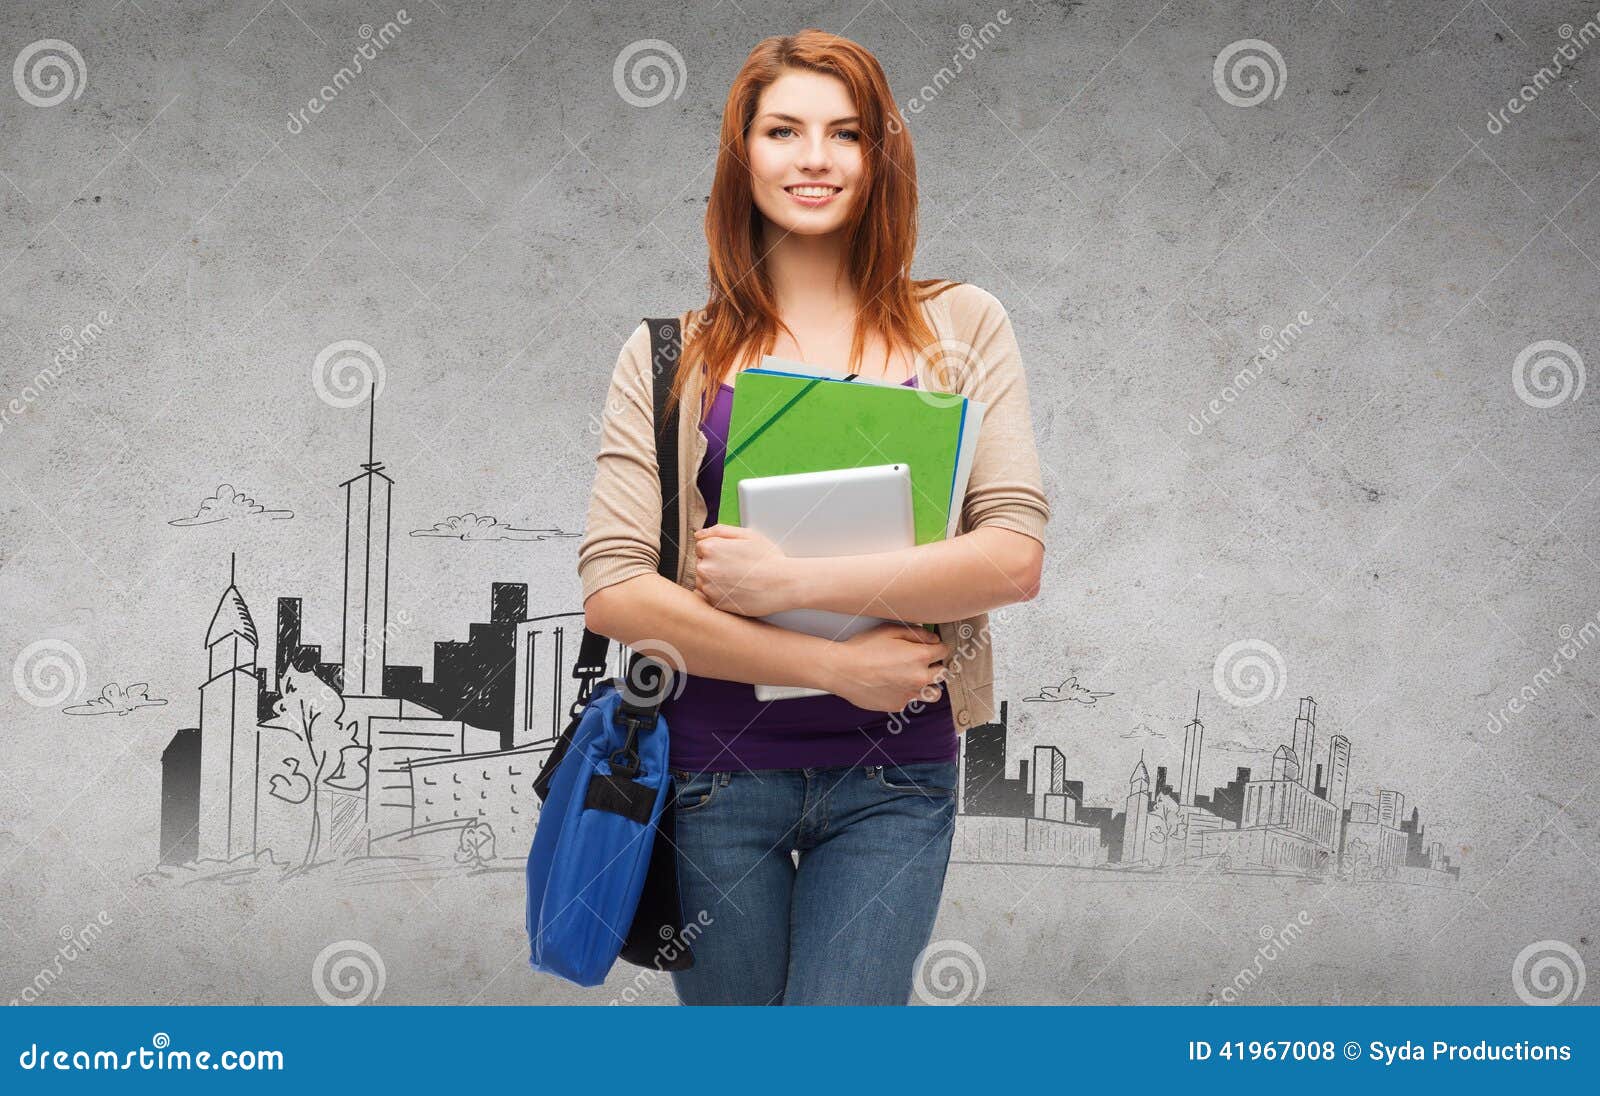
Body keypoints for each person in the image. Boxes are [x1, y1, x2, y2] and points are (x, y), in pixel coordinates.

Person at [577, 29, 1050, 1005]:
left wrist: (794, 585)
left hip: (896, 778)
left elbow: (1010, 558)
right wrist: (829, 665)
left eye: (845, 133)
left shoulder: (962, 327)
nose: (814, 158)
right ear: (741, 154)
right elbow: (616, 593)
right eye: (783, 130)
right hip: (711, 776)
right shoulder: (670, 355)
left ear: (880, 156)